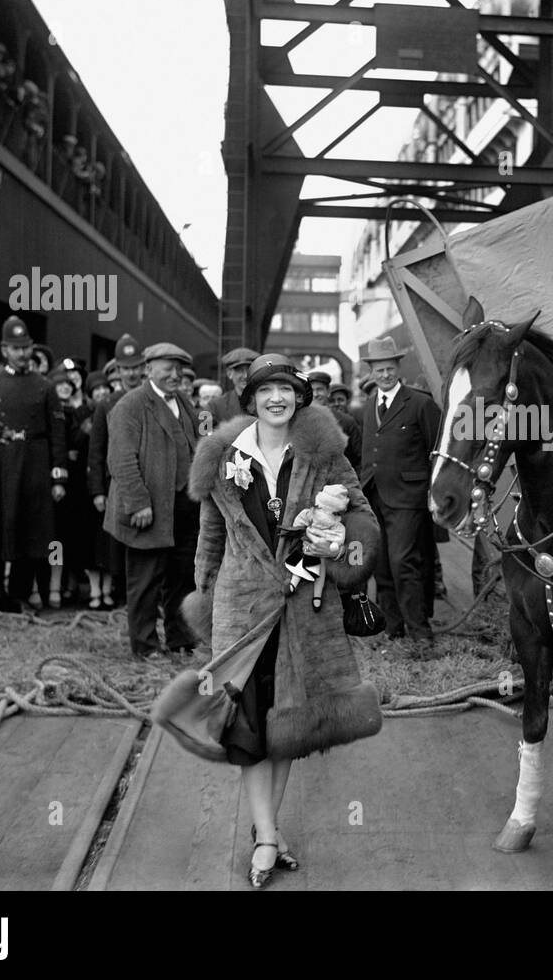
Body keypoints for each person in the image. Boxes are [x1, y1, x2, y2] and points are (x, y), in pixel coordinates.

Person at [151, 353, 382, 887]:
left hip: (306, 612)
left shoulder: (324, 455)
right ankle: (268, 837)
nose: (276, 398)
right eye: (265, 390)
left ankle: (266, 834)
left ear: (299, 397)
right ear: (249, 399)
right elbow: (210, 538)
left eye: (285, 389)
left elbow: (363, 516)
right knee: (249, 729)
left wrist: (342, 541)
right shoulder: (222, 459)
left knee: (289, 728)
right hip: (243, 611)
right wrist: (207, 596)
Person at [106, 342, 201, 657]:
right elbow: (120, 459)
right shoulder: (130, 405)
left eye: (178, 370)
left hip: (183, 510)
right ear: (148, 370)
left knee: (182, 578)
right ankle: (145, 648)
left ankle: (180, 640)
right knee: (145, 583)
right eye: (167, 369)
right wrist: (138, 504)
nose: (175, 375)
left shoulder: (185, 403)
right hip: (148, 510)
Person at [0, 316, 68, 612]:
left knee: (32, 533)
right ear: (4, 350)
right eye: (16, 348)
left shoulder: (46, 386)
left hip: (35, 465)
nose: (23, 353)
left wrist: (58, 477)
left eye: (26, 347)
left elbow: (57, 433)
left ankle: (20, 593)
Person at [357, 336, 441, 658]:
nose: (385, 375)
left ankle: (421, 634)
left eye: (390, 368)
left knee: (403, 562)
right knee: (382, 567)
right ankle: (393, 629)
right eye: (379, 370)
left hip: (408, 498)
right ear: (372, 372)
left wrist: (431, 494)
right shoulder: (369, 405)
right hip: (375, 496)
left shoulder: (420, 404)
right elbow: (369, 452)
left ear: (398, 367)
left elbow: (437, 451)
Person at [87, 335, 146, 610]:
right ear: (117, 371)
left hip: (147, 483)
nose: (131, 373)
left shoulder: (152, 400)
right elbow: (96, 451)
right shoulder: (106, 404)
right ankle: (122, 598)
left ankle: (140, 600)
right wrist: (97, 490)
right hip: (116, 484)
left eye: (136, 367)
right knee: (117, 545)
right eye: (126, 368)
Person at [51, 365, 94, 607]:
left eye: (70, 383)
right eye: (61, 384)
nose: (66, 387)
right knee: (55, 537)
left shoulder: (79, 412)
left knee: (73, 536)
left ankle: (69, 585)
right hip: (56, 482)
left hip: (78, 484)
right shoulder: (50, 413)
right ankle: (53, 586)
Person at [308, 370, 361, 470]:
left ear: (328, 392)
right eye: (312, 390)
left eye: (320, 389)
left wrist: (352, 483)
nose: (315, 394)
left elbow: (360, 457)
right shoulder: (298, 420)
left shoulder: (347, 422)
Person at [208, 347, 259, 425]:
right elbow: (204, 434)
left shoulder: (265, 401)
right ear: (229, 374)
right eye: (240, 370)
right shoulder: (215, 406)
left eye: (249, 370)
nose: (245, 375)